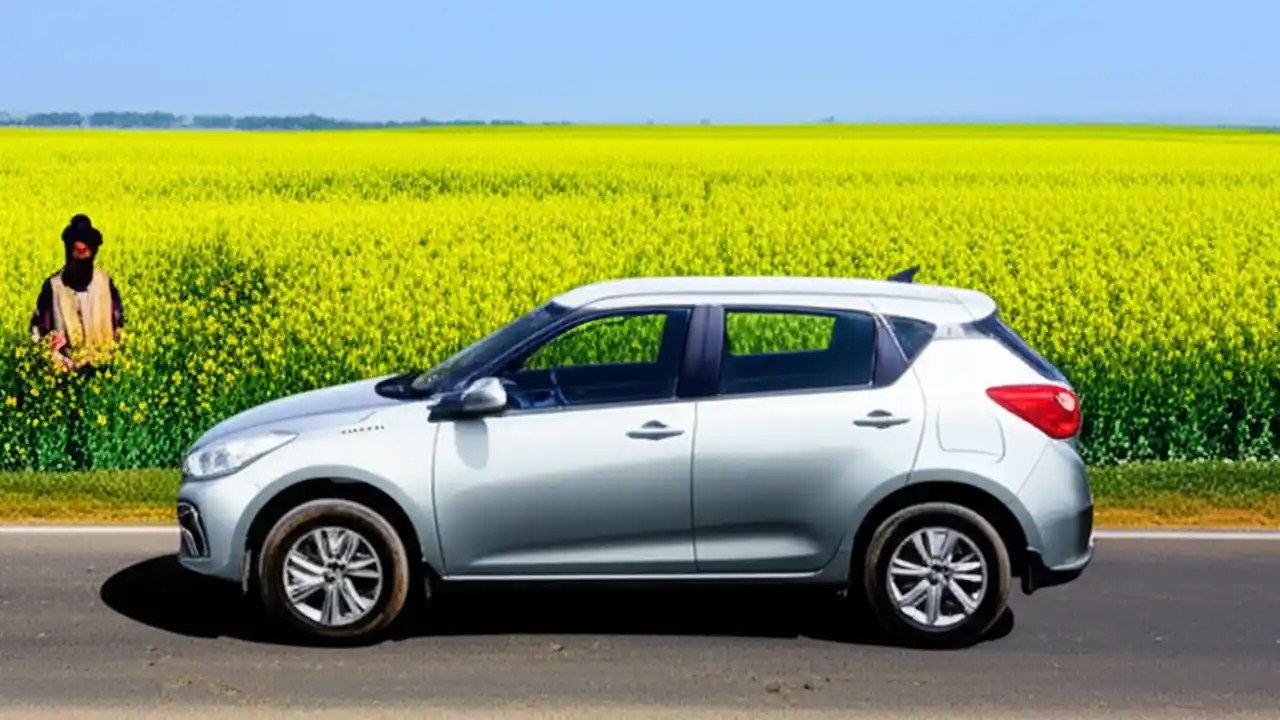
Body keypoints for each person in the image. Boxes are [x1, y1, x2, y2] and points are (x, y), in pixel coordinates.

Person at [29, 214, 125, 377]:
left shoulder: (105, 284)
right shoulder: (54, 287)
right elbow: (37, 333)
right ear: (68, 252)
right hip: (66, 376)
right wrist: (52, 353)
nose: (81, 258)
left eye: (85, 252)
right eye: (76, 252)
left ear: (93, 252)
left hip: (104, 374)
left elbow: (120, 327)